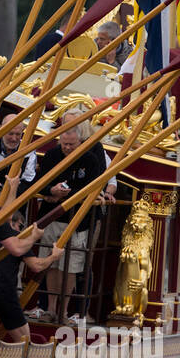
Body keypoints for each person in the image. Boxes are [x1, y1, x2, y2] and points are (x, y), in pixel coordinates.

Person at [28, 117, 107, 321]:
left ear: (80, 142)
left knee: (70, 266)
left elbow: (93, 187)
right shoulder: (52, 155)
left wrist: (67, 195)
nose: (67, 148)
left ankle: (63, 311)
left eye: (71, 144)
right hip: (51, 217)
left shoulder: (91, 159)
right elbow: (40, 182)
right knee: (51, 264)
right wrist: (50, 191)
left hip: (77, 221)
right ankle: (51, 308)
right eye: (64, 144)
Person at [0, 195, 63, 340]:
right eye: (20, 226)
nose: (20, 231)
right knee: (24, 340)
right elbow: (36, 266)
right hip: (3, 292)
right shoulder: (18, 241)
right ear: (13, 223)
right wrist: (53, 257)